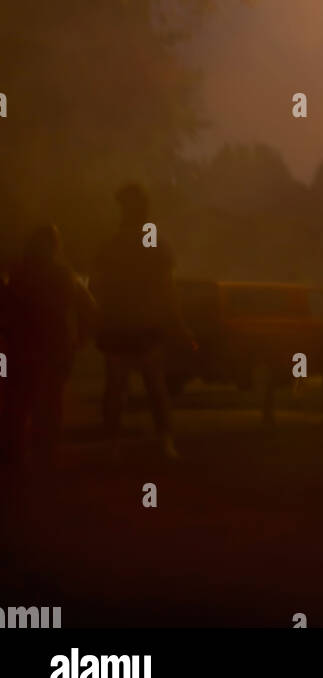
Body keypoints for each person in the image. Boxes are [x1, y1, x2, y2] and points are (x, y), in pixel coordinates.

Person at [91, 183, 188, 460]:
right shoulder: (127, 240)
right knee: (135, 387)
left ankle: (129, 443)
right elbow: (165, 286)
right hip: (130, 324)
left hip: (134, 324)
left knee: (137, 387)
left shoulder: (124, 240)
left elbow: (164, 286)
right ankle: (126, 442)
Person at [0, 224, 95, 468]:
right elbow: (90, 309)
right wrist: (79, 338)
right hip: (48, 348)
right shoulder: (60, 274)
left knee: (21, 403)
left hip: (29, 348)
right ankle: (41, 456)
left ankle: (23, 456)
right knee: (43, 403)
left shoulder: (21, 273)